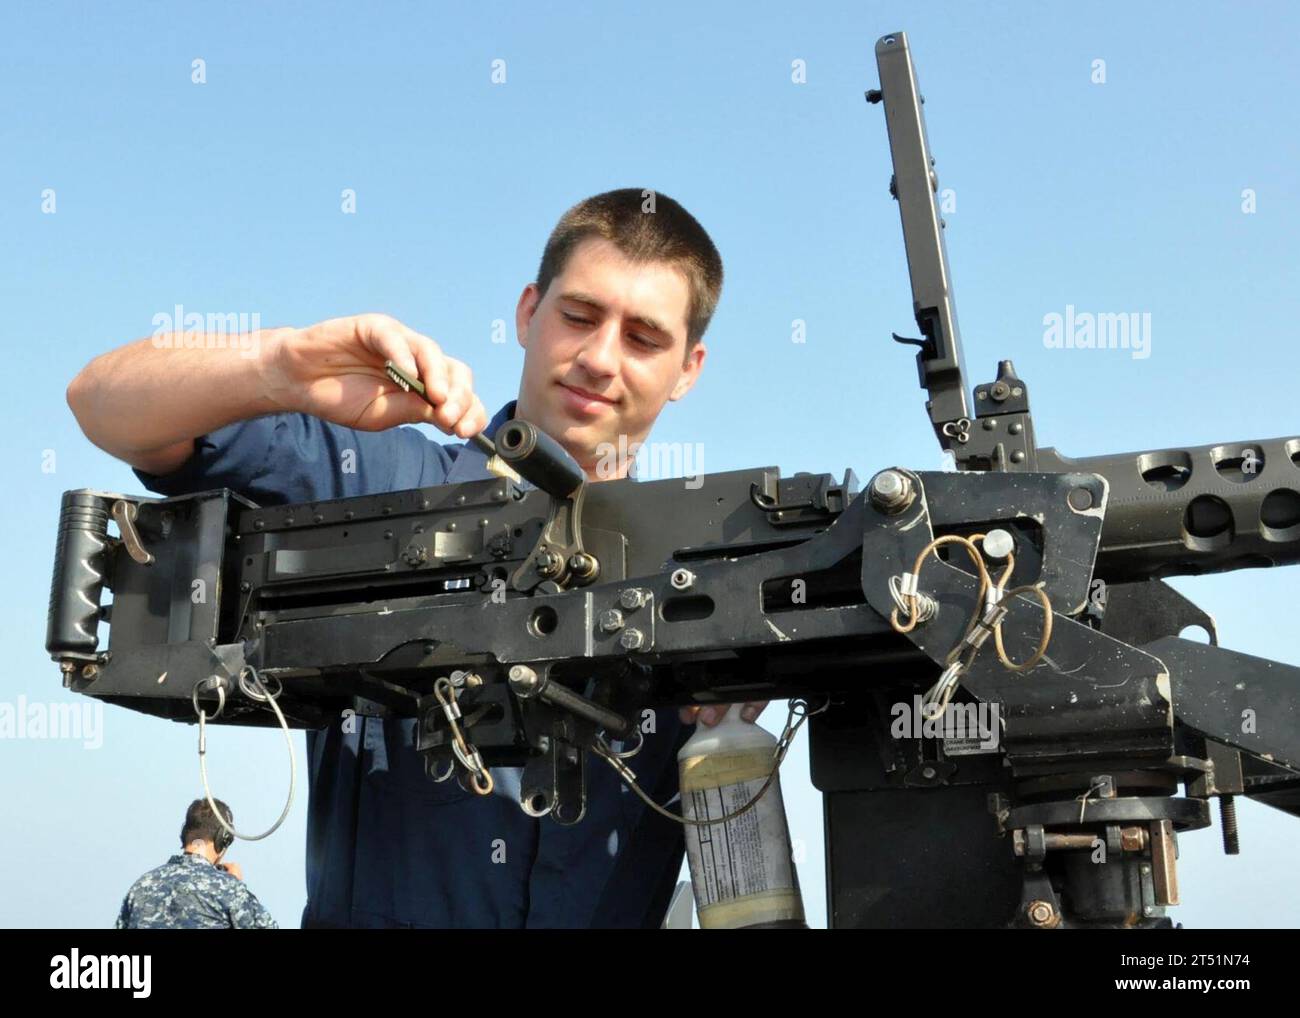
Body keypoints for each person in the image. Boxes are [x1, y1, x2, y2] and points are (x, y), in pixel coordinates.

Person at [70, 188, 766, 928]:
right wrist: (284, 363)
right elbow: (104, 406)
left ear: (688, 369)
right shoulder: (381, 483)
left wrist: (757, 671)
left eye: (643, 338)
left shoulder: (715, 576)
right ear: (528, 312)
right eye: (579, 316)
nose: (599, 359)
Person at [115, 798, 278, 929]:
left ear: (184, 834)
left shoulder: (140, 887)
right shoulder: (227, 889)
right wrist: (237, 886)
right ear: (223, 838)